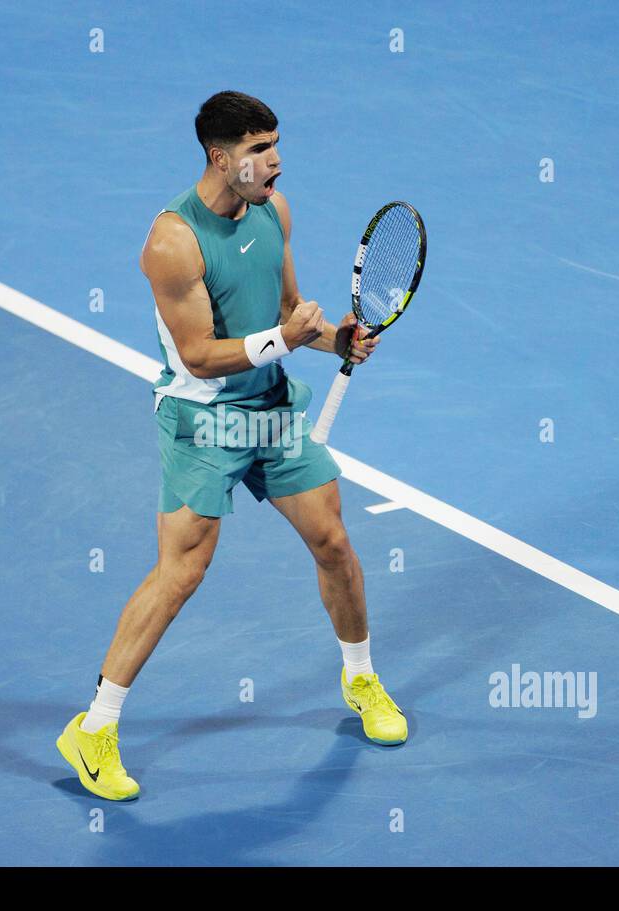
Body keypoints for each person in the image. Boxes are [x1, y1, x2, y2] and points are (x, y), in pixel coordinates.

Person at [56, 91, 406, 800]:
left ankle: (361, 676)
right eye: (257, 149)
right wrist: (284, 339)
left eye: (275, 144)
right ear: (220, 157)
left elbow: (286, 314)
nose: (273, 160)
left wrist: (337, 337)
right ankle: (93, 728)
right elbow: (195, 356)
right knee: (181, 573)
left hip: (271, 413)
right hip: (204, 423)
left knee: (334, 542)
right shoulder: (171, 241)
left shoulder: (274, 211)